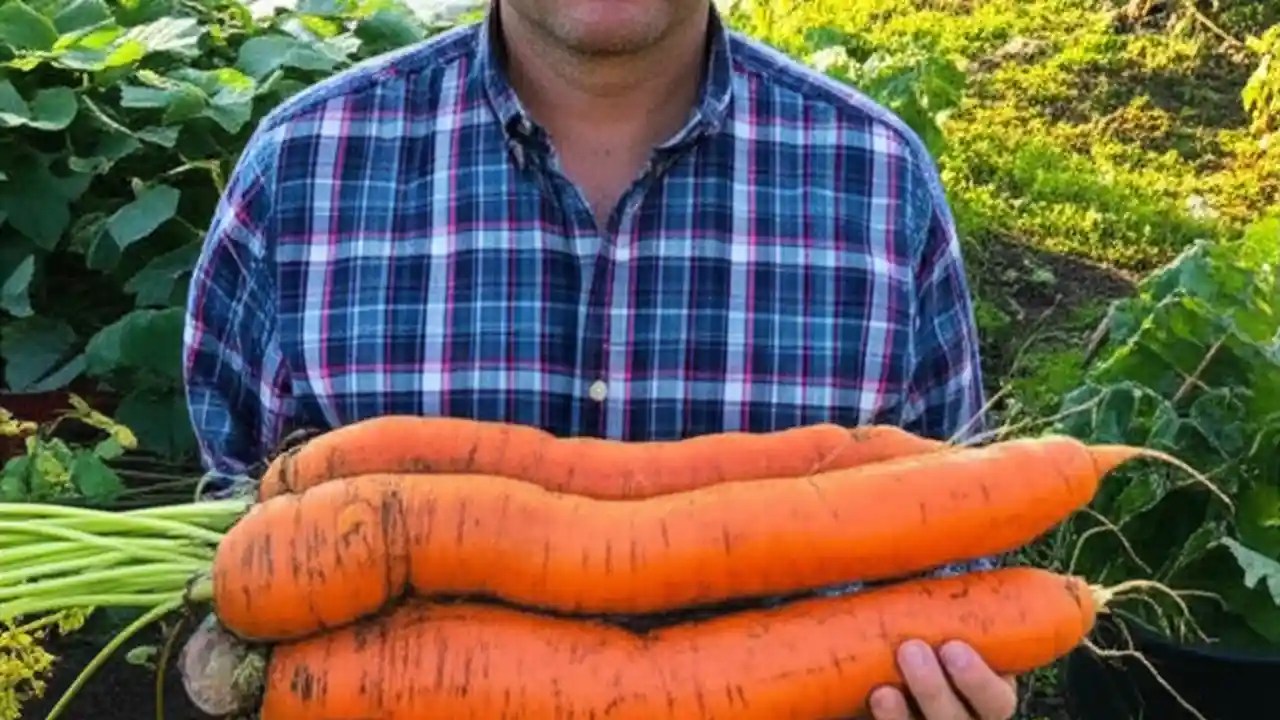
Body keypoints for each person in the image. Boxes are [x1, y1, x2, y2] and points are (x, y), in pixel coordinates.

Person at [182, 0, 1016, 717]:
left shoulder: (878, 182)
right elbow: (240, 535)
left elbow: (955, 552)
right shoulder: (303, 172)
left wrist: (951, 676)